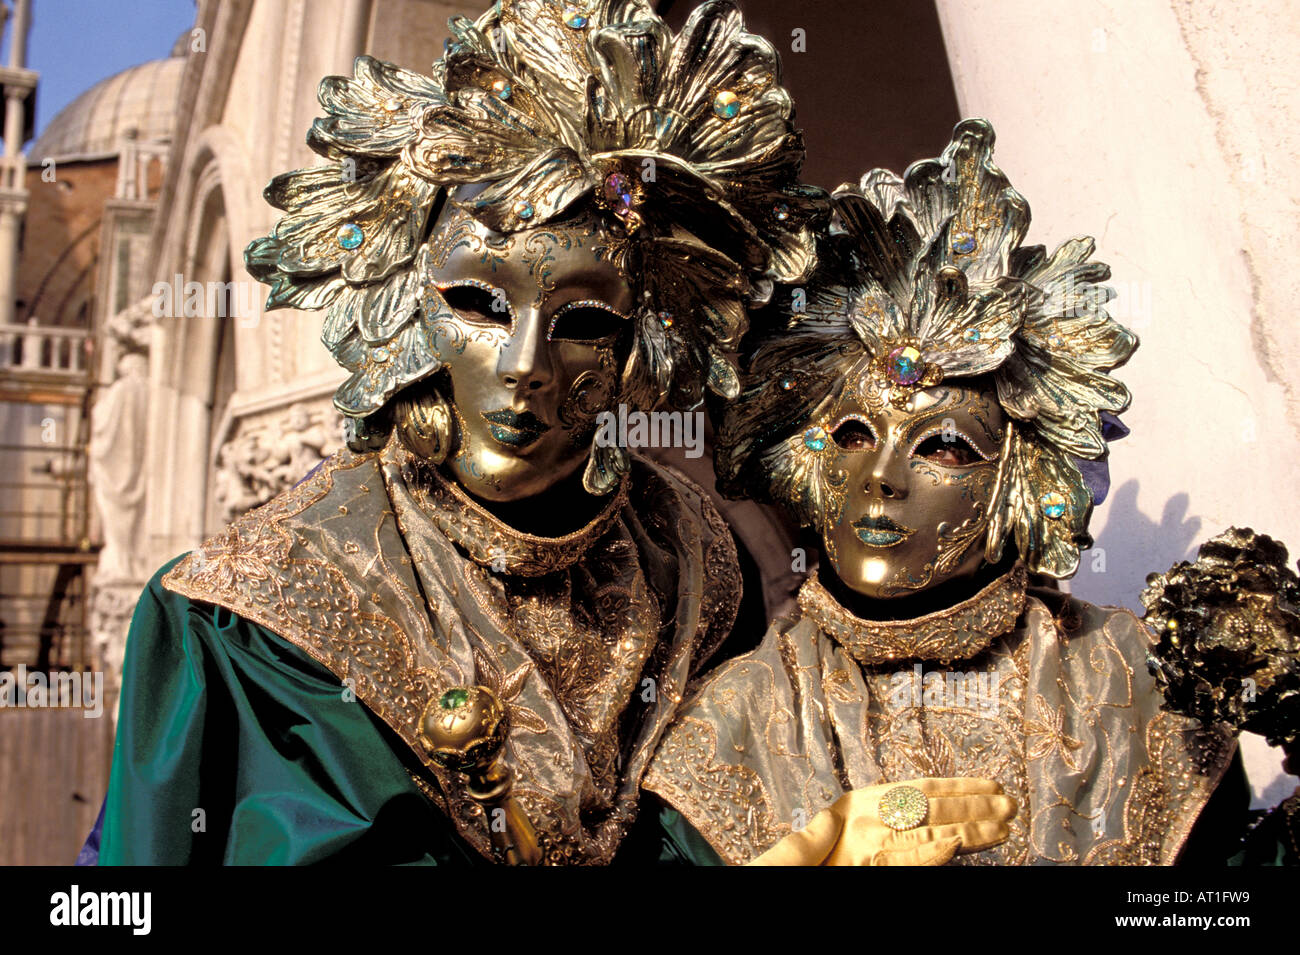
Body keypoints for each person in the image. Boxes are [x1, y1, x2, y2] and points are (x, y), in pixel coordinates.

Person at [95, 0, 819, 865]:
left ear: (638, 343)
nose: (525, 366)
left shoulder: (697, 575)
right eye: (478, 303)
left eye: (582, 318)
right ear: (409, 308)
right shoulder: (247, 622)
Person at [644, 119, 1246, 865]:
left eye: (945, 446)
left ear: (1022, 478)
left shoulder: (1130, 683)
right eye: (854, 433)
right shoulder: (729, 727)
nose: (884, 478)